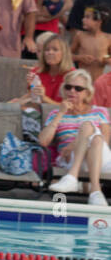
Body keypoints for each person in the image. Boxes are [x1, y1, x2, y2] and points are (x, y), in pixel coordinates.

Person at [42, 69, 109, 206]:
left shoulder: (100, 112)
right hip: (70, 158)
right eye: (68, 87)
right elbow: (43, 141)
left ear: (87, 93)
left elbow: (105, 140)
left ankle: (72, 177)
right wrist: (61, 114)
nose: (72, 91)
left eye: (78, 88)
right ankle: (96, 191)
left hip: (100, 158)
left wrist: (74, 144)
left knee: (90, 130)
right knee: (92, 134)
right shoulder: (55, 113)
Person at [24, 32, 74, 104]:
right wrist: (30, 85)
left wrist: (44, 98)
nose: (50, 52)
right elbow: (32, 99)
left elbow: (69, 108)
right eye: (47, 50)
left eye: (55, 49)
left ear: (64, 53)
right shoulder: (36, 72)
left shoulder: (72, 75)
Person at [71, 6, 110, 81]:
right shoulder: (80, 35)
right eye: (84, 17)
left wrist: (106, 60)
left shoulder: (108, 38)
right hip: (82, 80)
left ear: (99, 21)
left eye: (87, 17)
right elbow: (66, 56)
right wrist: (79, 58)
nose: (83, 20)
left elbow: (109, 58)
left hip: (99, 80)